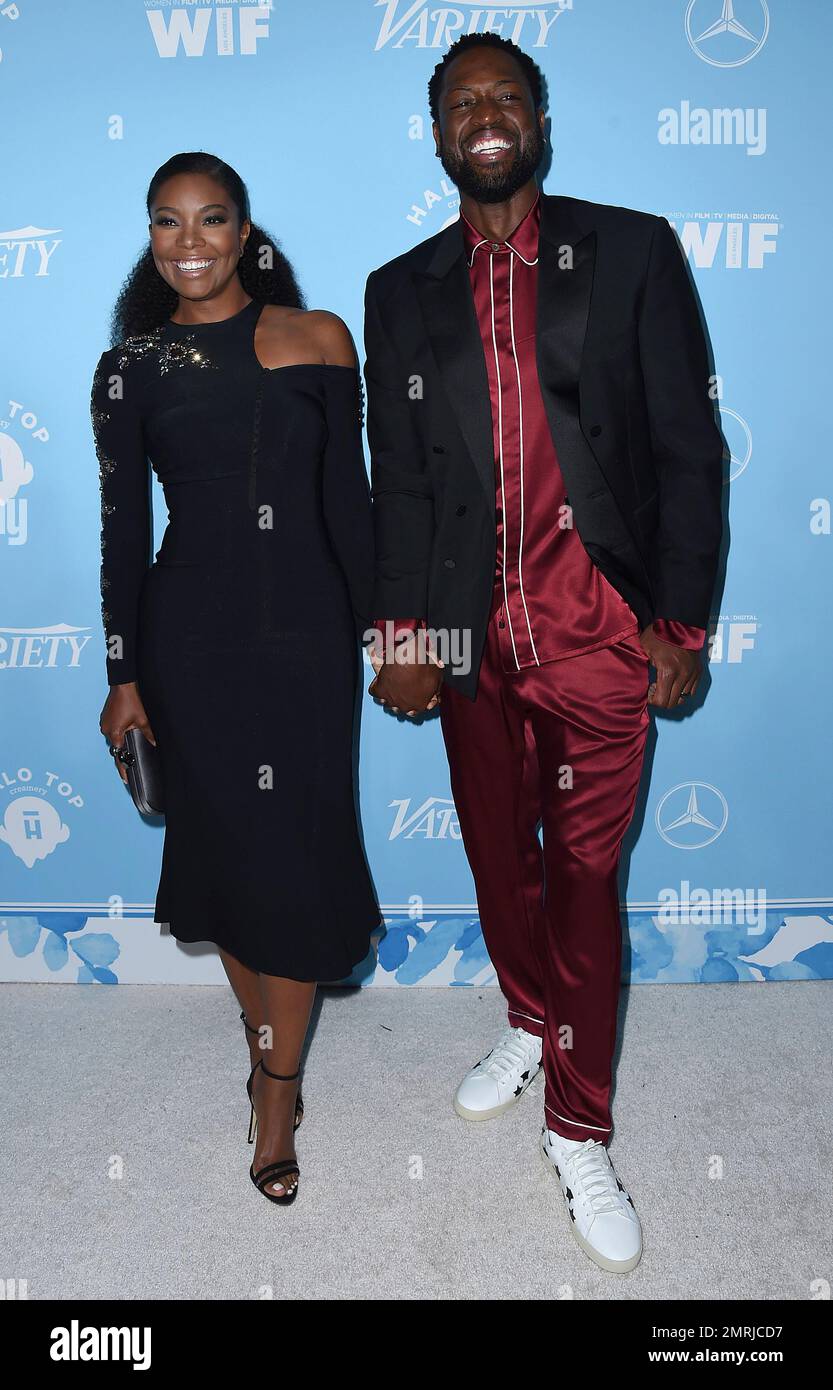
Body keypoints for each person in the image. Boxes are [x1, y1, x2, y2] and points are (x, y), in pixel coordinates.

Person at [365, 35, 723, 1271]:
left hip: (594, 633)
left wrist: (675, 622)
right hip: (468, 635)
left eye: (503, 95)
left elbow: (687, 447)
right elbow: (399, 485)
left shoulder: (626, 251)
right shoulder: (399, 287)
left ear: (538, 115)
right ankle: (527, 1015)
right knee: (491, 852)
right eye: (460, 99)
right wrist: (401, 633)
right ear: (434, 128)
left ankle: (579, 1122)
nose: (484, 115)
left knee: (580, 879)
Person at [91, 151, 381, 1205]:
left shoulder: (317, 339)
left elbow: (348, 508)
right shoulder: (130, 368)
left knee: (293, 864)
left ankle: (274, 1086)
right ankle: (270, 1053)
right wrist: (123, 672)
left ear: (246, 229)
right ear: (151, 237)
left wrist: (386, 630)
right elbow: (126, 533)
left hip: (304, 643)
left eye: (211, 219)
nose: (190, 242)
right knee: (227, 860)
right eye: (167, 223)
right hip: (189, 645)